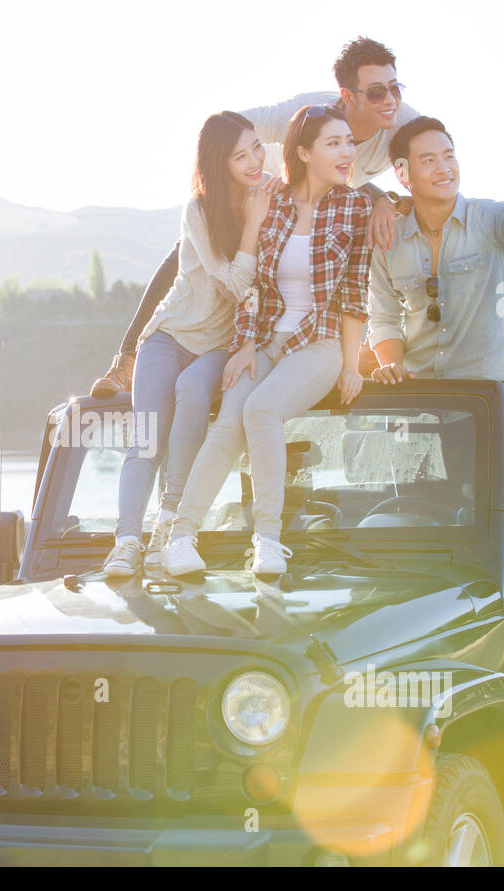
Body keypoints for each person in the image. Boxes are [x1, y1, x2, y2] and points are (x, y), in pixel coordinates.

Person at [91, 36, 418, 398]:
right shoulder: (304, 114)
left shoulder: (403, 122)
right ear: (347, 96)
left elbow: (427, 166)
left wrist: (384, 199)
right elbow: (226, 132)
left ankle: (369, 346)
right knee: (195, 239)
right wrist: (247, 184)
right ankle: (128, 357)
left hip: (328, 198)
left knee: (365, 232)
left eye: (395, 88)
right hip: (273, 185)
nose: (390, 100)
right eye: (376, 92)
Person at [161, 105, 371, 578]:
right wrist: (245, 345)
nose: (346, 152)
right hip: (266, 339)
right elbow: (251, 285)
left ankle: (268, 540)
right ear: (304, 152)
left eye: (349, 142)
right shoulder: (271, 200)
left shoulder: (355, 207)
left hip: (318, 343)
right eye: (333, 143)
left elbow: (356, 292)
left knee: (261, 410)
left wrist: (353, 364)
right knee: (228, 422)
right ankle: (180, 538)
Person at [101, 112, 280, 577]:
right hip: (170, 335)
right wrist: (251, 227)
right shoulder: (198, 210)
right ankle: (125, 542)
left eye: (257, 148)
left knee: (193, 391)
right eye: (240, 155)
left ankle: (167, 527)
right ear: (219, 164)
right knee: (145, 442)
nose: (254, 160)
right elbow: (233, 282)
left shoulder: (272, 199)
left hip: (222, 344)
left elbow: (254, 292)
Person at [366, 115, 504, 382]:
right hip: (414, 400)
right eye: (428, 161)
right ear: (402, 172)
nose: (444, 168)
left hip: (485, 402)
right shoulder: (389, 236)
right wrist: (391, 366)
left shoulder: (488, 220)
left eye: (449, 157)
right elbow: (383, 318)